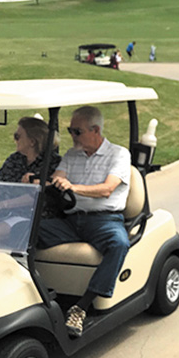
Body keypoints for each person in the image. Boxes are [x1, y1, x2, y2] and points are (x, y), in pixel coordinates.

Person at [36, 105, 132, 337]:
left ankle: (82, 307)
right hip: (71, 221)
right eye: (70, 131)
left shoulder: (119, 154)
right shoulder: (72, 155)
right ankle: (35, 292)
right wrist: (43, 182)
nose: (72, 136)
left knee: (119, 244)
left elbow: (107, 189)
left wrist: (73, 187)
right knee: (28, 230)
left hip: (104, 221)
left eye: (76, 131)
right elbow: (57, 179)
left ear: (95, 130)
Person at [0, 117, 60, 245]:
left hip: (28, 215)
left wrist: (3, 204)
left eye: (18, 136)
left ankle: (0, 265)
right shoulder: (14, 159)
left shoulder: (52, 163)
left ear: (32, 141)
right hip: (3, 212)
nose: (15, 140)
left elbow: (37, 196)